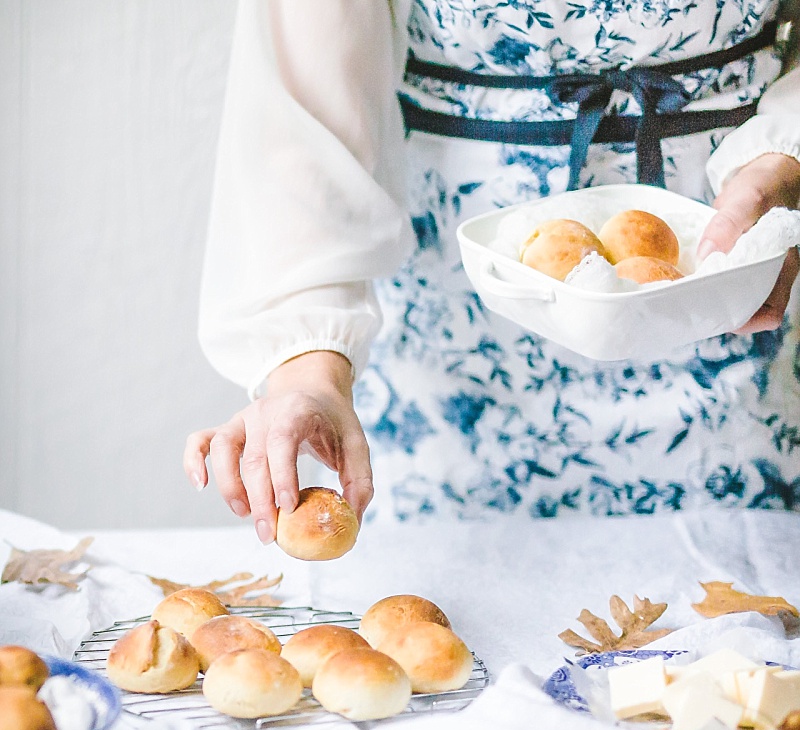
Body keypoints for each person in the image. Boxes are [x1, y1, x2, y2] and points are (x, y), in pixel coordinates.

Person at [184, 0, 800, 543]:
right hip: (455, 347)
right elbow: (302, 120)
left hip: (720, 282)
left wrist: (787, 159)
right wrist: (309, 374)